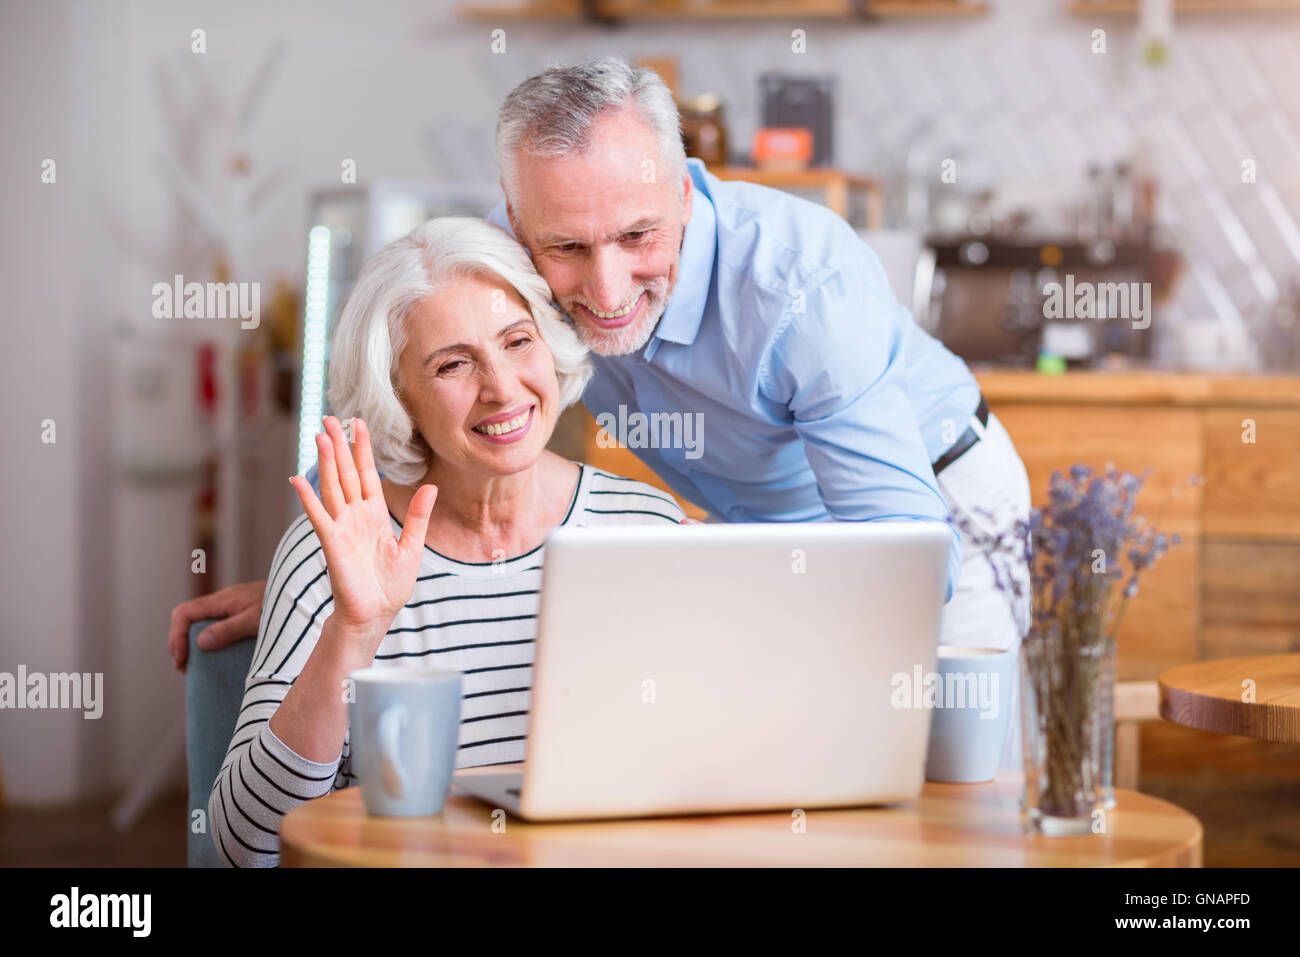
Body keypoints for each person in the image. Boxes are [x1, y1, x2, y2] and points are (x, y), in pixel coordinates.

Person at [175, 57, 1029, 769]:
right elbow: (387, 389)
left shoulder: (804, 284)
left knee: (940, 783)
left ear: (688, 196)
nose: (608, 291)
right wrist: (322, 580)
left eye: (637, 237)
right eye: (568, 249)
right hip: (752, 528)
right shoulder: (510, 261)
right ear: (518, 223)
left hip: (939, 503)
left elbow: (908, 562)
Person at [207, 217, 686, 867]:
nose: (502, 387)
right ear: (397, 395)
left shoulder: (647, 529)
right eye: (453, 363)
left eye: (517, 341)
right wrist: (354, 630)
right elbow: (245, 846)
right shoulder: (334, 550)